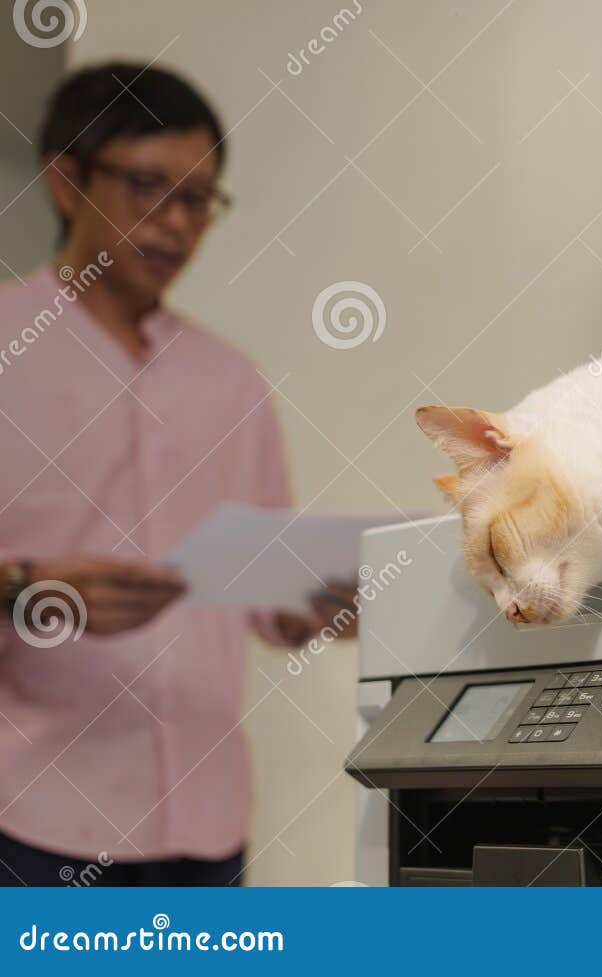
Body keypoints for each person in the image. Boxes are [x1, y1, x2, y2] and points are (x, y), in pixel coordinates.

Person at [0, 63, 353, 886]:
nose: (175, 224)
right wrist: (22, 584)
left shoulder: (232, 381)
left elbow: (272, 594)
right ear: (67, 181)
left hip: (206, 816)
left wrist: (324, 603)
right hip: (30, 811)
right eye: (147, 187)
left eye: (200, 199)